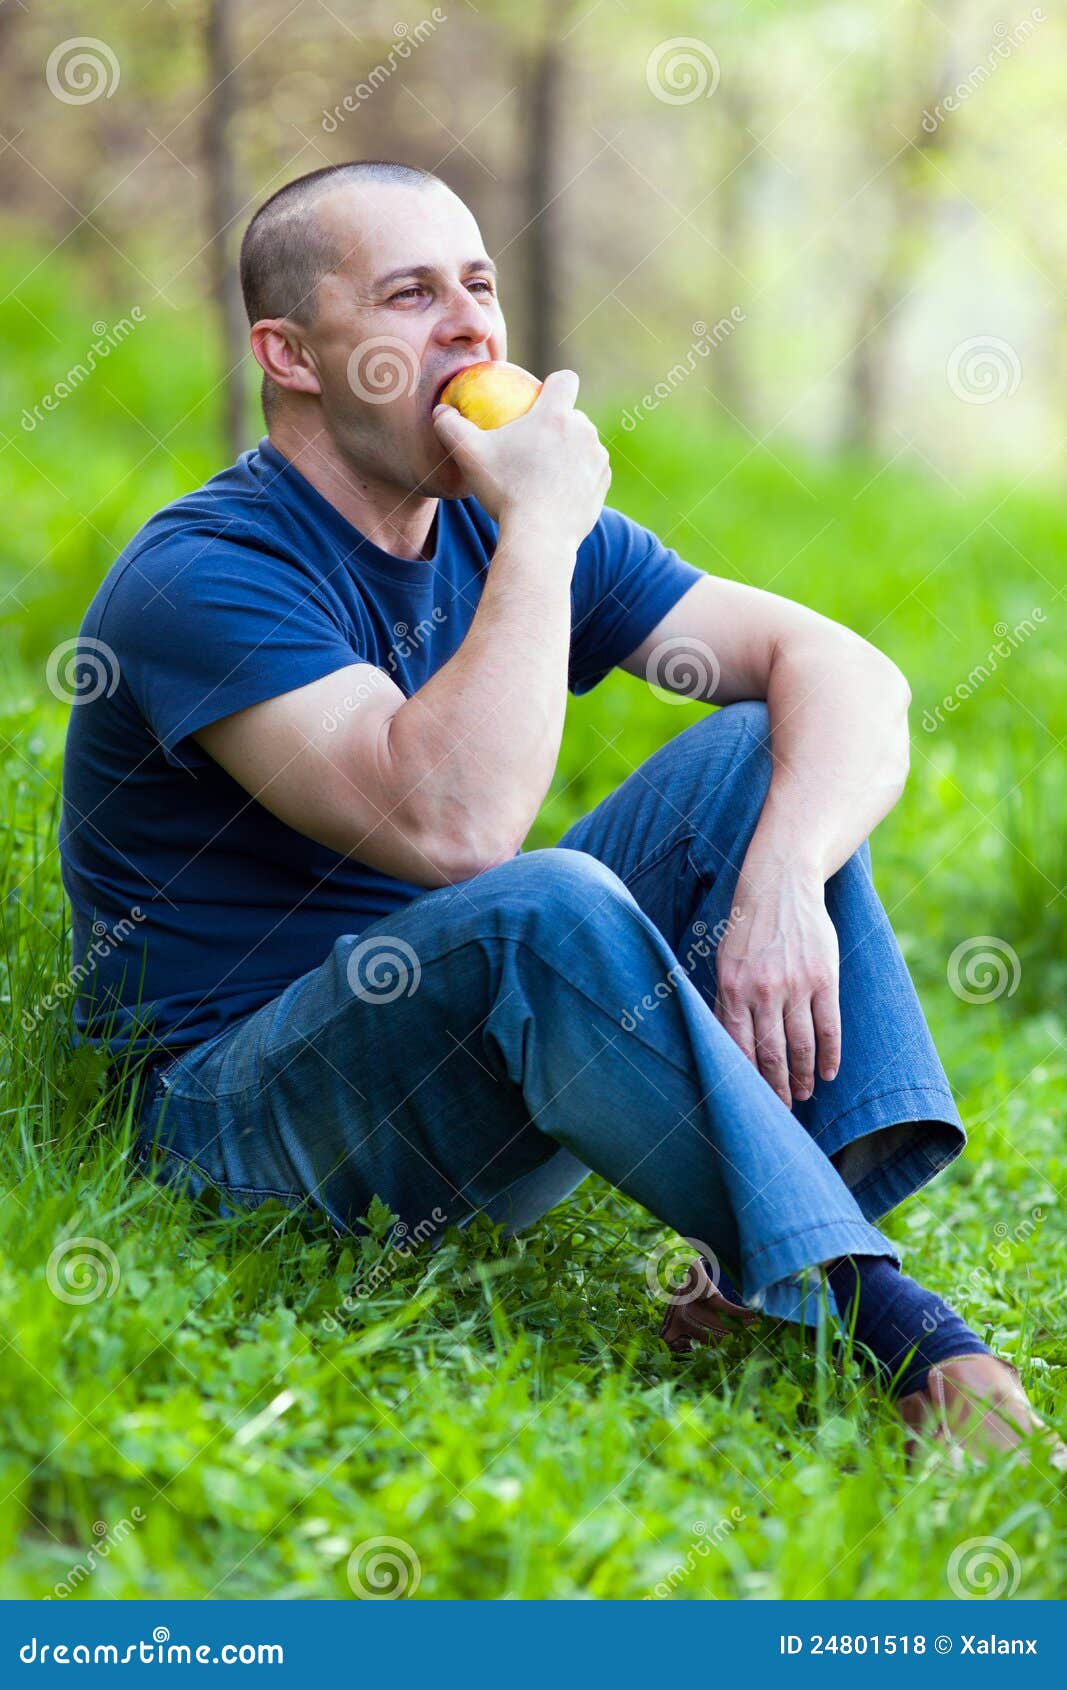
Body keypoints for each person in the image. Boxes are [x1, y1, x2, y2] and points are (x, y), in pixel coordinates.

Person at [59, 159, 1060, 1467]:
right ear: (290, 354)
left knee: (763, 756)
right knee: (545, 904)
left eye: (478, 286)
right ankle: (905, 1336)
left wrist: (783, 875)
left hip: (471, 1087)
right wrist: (540, 530)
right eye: (411, 296)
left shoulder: (500, 528)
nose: (472, 327)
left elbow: (847, 674)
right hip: (245, 1132)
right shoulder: (206, 575)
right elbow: (450, 826)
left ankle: (759, 1259)